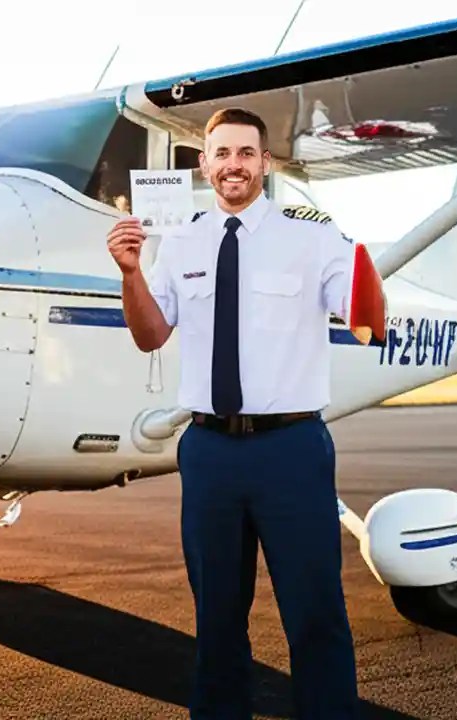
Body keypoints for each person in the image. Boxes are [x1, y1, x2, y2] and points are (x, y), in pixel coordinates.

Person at [105, 107, 384, 719]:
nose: (234, 165)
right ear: (204, 164)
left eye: (246, 154)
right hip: (209, 454)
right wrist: (130, 274)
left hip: (291, 451)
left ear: (265, 163)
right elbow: (151, 334)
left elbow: (363, 314)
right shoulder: (177, 243)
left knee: (315, 615)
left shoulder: (312, 237)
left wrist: (366, 287)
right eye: (222, 153)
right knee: (217, 621)